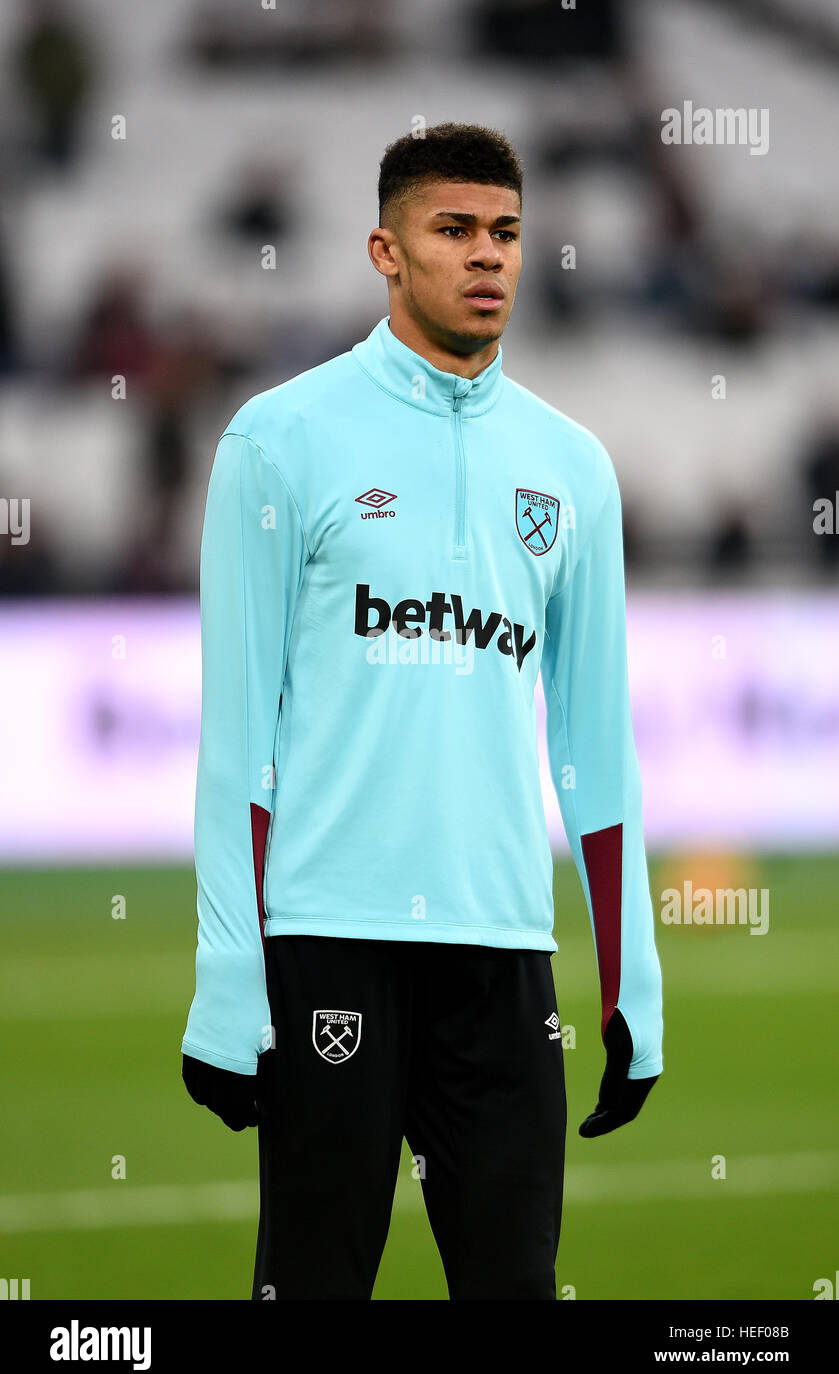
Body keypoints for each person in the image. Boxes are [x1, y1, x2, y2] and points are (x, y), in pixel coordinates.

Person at [181, 122, 663, 1301]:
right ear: (384, 251)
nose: (486, 255)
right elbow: (237, 739)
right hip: (326, 947)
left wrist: (627, 975)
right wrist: (226, 972)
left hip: (501, 959)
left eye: (504, 231)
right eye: (452, 230)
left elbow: (593, 749)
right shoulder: (279, 440)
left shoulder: (572, 466)